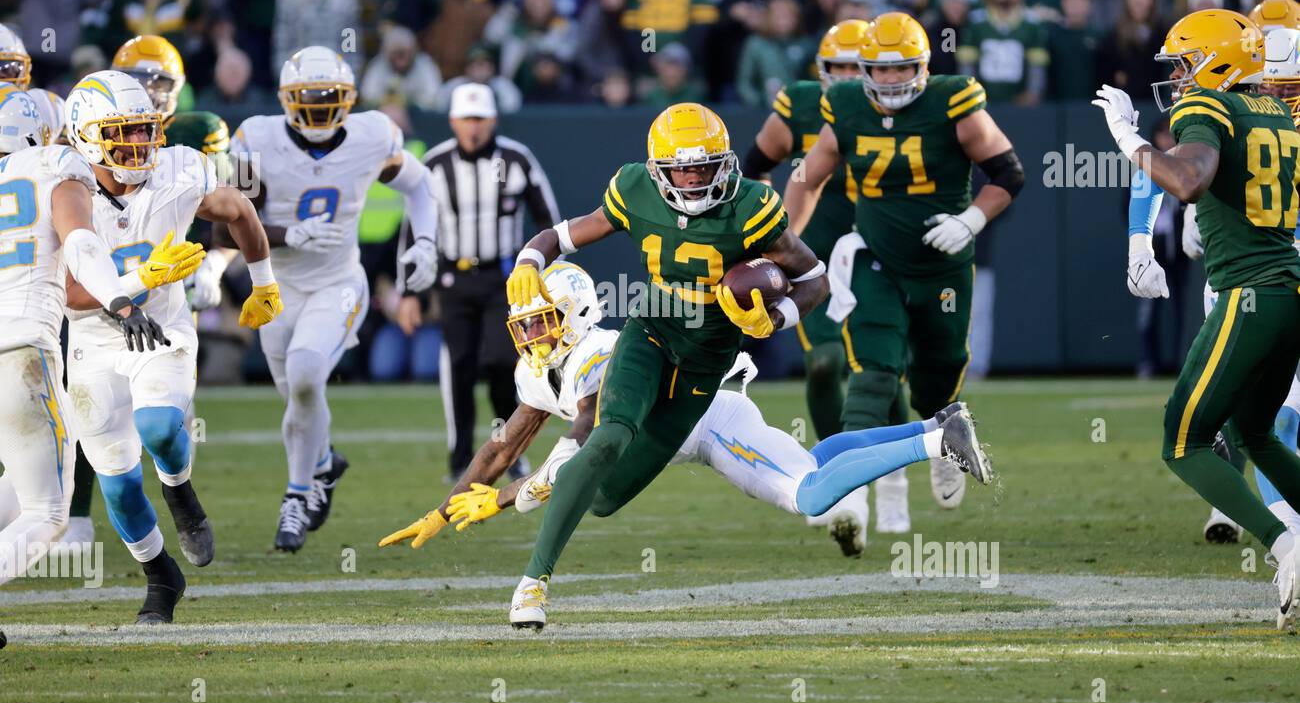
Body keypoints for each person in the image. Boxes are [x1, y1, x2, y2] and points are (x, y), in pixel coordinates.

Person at [379, 262, 990, 580]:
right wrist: (443, 509)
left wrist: (510, 498)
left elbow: (584, 440)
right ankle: (935, 423)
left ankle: (939, 438)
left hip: (709, 423)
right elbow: (503, 446)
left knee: (811, 496)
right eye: (527, 324)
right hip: (693, 433)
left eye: (543, 320)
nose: (533, 334)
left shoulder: (598, 351)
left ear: (577, 313)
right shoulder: (541, 372)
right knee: (820, 460)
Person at [489, 103, 831, 628]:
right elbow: (563, 235)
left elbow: (815, 278)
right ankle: (532, 584)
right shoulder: (635, 190)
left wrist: (777, 319)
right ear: (657, 170)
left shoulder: (752, 208)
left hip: (705, 362)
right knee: (605, 439)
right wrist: (530, 261)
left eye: (704, 166)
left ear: (725, 163)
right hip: (649, 331)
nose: (693, 178)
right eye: (682, 168)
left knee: (604, 499)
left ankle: (551, 480)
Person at [1093, 7, 1300, 629]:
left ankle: (1288, 546)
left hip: (1247, 292)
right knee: (1257, 432)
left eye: (1185, 63)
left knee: (1182, 440)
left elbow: (1184, 180)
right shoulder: (1276, 115)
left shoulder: (1208, 108)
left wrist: (1128, 140)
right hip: (1288, 286)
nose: (1179, 78)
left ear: (1215, 61)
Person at [62, 70, 281, 623]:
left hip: (161, 329)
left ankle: (180, 490)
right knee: (117, 482)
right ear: (86, 136)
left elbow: (237, 209)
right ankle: (162, 576)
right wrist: (138, 279)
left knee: (160, 428)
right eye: (123, 133)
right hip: (93, 339)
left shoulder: (177, 167)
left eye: (143, 130)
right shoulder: (62, 188)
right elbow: (67, 293)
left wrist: (264, 281)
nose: (139, 144)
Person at [788, 13, 1024, 522]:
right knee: (872, 372)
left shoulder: (953, 99)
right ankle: (848, 492)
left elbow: (1008, 172)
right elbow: (807, 176)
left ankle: (946, 435)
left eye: (902, 70)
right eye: (880, 69)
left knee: (933, 381)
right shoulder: (847, 104)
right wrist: (786, 241)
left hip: (942, 266)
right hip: (875, 257)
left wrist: (971, 219)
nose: (890, 81)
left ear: (923, 67)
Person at [230, 46, 439, 552]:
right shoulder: (255, 142)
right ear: (286, 99)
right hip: (275, 288)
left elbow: (420, 182)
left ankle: (298, 495)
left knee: (305, 372)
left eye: (329, 100)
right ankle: (322, 462)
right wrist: (284, 234)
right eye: (309, 100)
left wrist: (427, 243)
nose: (320, 110)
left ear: (348, 101)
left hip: (339, 282)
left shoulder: (372, 137)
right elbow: (227, 227)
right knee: (298, 399)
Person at [0, 86, 167, 641]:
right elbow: (80, 244)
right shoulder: (57, 162)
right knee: (47, 512)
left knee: (17, 490)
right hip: (23, 346)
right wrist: (121, 299)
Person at [741, 18, 902, 543]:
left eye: (864, 67)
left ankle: (893, 473)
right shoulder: (802, 104)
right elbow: (757, 161)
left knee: (883, 368)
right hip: (816, 255)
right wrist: (768, 223)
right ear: (822, 70)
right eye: (840, 67)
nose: (852, 77)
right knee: (826, 361)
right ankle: (846, 482)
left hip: (884, 250)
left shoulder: (904, 105)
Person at [419, 83, 559, 479]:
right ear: (453, 121)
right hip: (453, 278)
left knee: (504, 364)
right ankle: (459, 457)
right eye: (467, 119)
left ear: (493, 119)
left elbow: (549, 220)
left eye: (480, 118)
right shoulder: (434, 164)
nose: (473, 127)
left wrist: (542, 273)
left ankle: (508, 451)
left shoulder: (517, 159)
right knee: (459, 366)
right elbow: (415, 228)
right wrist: (409, 289)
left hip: (505, 278)